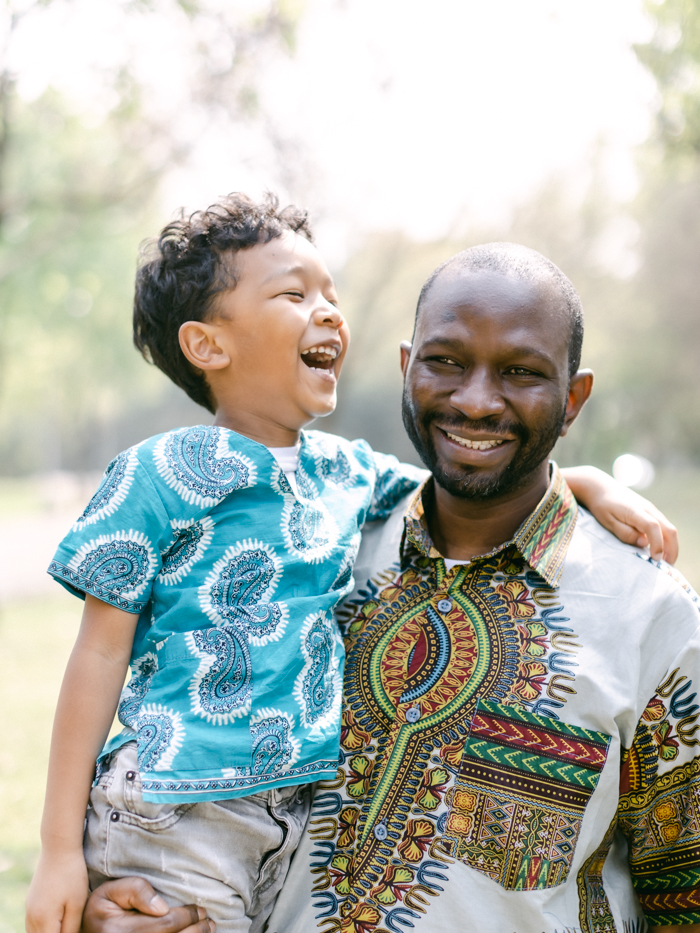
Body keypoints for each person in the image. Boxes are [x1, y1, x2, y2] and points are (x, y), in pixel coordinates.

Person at [27, 213, 679, 933]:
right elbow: (99, 654)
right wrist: (82, 875)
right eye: (447, 362)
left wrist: (583, 478)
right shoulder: (312, 526)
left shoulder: (645, 611)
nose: (476, 401)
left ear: (572, 399)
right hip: (184, 825)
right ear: (407, 367)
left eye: (522, 373)